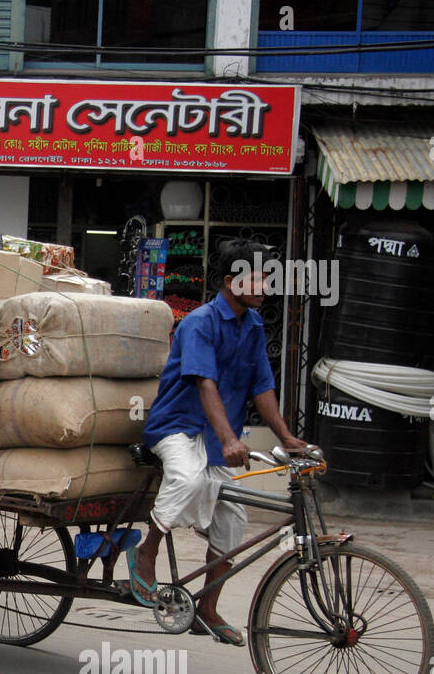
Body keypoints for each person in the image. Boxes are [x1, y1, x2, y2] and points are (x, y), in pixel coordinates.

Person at [130, 240, 307, 646]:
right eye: (259, 279)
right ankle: (146, 552)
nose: (266, 287)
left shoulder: (255, 327)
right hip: (177, 427)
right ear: (231, 282)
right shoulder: (199, 323)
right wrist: (229, 439)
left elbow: (262, 387)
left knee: (234, 514)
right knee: (188, 478)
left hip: (215, 437)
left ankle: (207, 608)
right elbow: (204, 383)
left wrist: (287, 437)